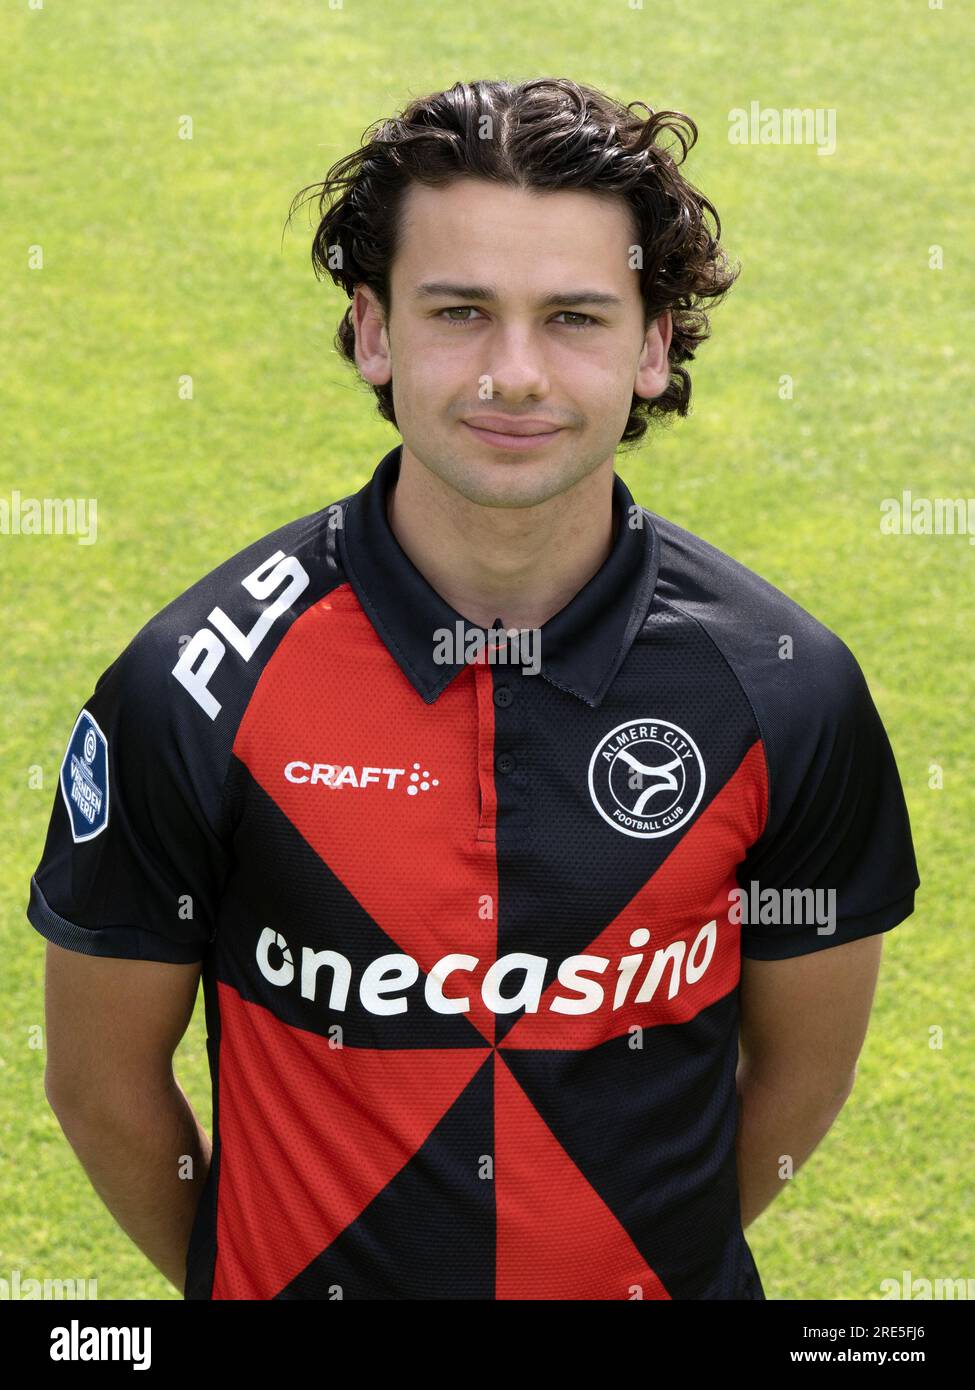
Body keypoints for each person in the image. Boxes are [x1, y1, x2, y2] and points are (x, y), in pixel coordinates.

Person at [27, 77, 920, 1300]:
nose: (514, 373)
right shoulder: (190, 690)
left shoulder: (789, 690)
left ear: (653, 345)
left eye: (574, 318)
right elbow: (100, 1084)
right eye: (459, 311)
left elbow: (799, 1082)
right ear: (374, 332)